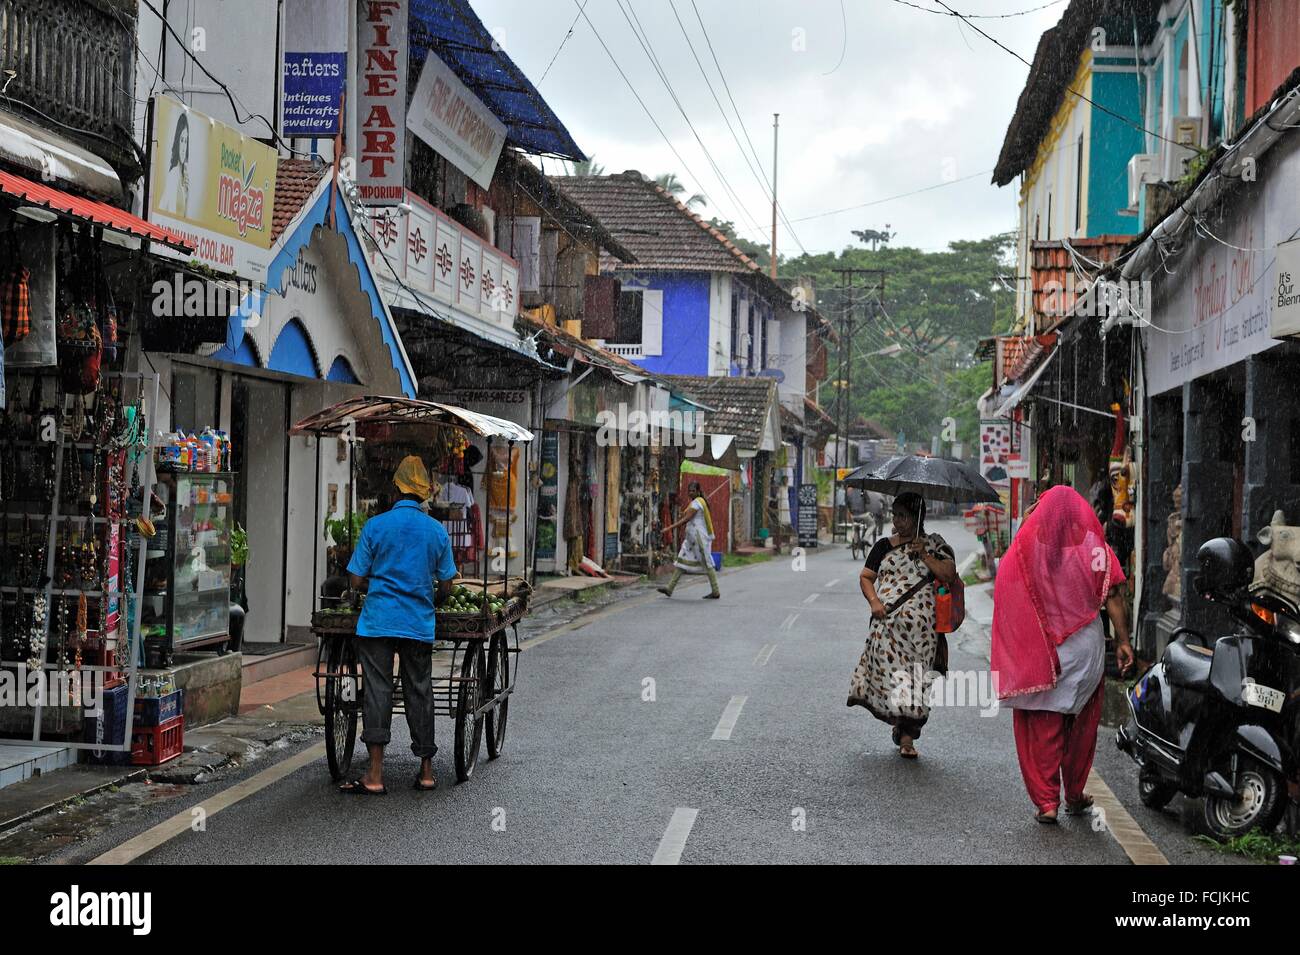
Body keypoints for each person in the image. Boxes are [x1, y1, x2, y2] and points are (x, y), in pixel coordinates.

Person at [991, 485, 1135, 824]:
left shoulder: (1028, 547)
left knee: (1043, 725)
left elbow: (1008, 586)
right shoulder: (1094, 546)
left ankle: (1047, 802)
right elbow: (1113, 595)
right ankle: (1074, 791)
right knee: (1080, 725)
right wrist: (1125, 641)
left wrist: (1025, 526)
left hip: (1044, 648)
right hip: (1086, 649)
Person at [340, 456, 457, 795]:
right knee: (419, 689)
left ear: (396, 489)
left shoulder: (376, 526)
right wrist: (433, 600)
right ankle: (426, 771)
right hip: (418, 622)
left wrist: (372, 582)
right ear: (424, 495)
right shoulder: (436, 531)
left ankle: (374, 775)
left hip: (377, 621)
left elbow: (356, 578)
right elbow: (447, 584)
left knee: (378, 691)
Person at [848, 491, 957, 758]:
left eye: (903, 515)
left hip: (922, 633)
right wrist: (874, 602)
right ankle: (901, 727)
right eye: (894, 514)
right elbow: (865, 577)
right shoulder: (884, 546)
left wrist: (926, 557)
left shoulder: (935, 546)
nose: (896, 520)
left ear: (918, 517)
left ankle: (908, 737)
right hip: (887, 629)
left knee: (917, 682)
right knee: (893, 680)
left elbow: (949, 575)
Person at [658, 481, 721, 599]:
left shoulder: (697, 503)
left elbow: (686, 519)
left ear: (698, 491)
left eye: (693, 491)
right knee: (682, 561)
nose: (691, 493)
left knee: (707, 562)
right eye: (689, 491)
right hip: (691, 539)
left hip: (698, 538)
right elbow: (687, 515)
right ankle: (670, 588)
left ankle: (715, 590)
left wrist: (668, 528)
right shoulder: (696, 503)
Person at [158, 112, 190, 218]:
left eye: (186, 141)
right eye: (181, 140)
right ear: (177, 142)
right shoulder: (173, 174)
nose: (184, 147)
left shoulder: (185, 177)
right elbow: (168, 210)